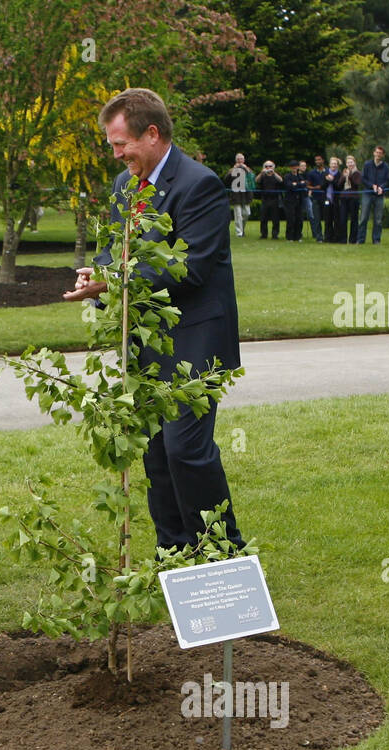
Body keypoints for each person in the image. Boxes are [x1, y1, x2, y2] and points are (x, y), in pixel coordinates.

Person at [64, 87, 245, 555]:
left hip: (196, 344)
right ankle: (174, 552)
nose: (117, 154)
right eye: (111, 145)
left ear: (152, 133)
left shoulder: (200, 184)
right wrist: (96, 274)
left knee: (186, 449)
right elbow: (115, 249)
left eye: (121, 144)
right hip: (146, 342)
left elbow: (189, 267)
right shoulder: (126, 186)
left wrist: (113, 279)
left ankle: (222, 553)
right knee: (157, 455)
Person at [357, 145, 389, 244]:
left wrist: (381, 187)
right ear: (374, 153)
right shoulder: (367, 165)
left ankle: (376, 240)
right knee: (363, 218)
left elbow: (387, 180)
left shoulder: (386, 167)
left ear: (383, 155)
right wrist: (372, 186)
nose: (378, 154)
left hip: (379, 195)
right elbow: (363, 178)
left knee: (378, 220)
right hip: (367, 193)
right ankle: (360, 239)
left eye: (380, 153)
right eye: (377, 152)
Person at [223, 153, 252, 237]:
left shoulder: (247, 169)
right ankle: (239, 233)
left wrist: (246, 168)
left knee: (247, 213)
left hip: (246, 195)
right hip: (236, 195)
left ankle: (242, 228)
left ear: (244, 160)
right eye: (238, 159)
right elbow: (226, 180)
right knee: (238, 214)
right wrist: (233, 169)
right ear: (236, 160)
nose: (240, 161)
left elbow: (252, 178)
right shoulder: (232, 169)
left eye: (241, 159)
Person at [337, 154, 362, 243]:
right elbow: (339, 185)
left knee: (354, 219)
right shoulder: (344, 172)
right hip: (344, 198)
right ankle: (343, 239)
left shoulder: (357, 173)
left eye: (351, 162)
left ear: (354, 163)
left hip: (353, 198)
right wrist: (344, 177)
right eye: (348, 162)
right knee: (343, 219)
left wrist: (349, 176)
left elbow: (356, 184)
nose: (350, 164)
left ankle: (353, 239)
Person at [256, 160, 283, 239]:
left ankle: (275, 234)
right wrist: (262, 172)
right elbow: (256, 180)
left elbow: (281, 180)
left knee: (275, 218)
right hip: (265, 199)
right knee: (263, 218)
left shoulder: (276, 175)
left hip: (274, 199)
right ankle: (264, 234)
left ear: (273, 167)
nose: (268, 168)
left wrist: (273, 172)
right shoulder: (263, 176)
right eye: (266, 166)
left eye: (270, 166)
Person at [282, 160, 307, 241]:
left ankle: (298, 236)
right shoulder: (287, 176)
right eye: (293, 167)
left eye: (296, 166)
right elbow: (289, 186)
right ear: (290, 168)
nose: (294, 168)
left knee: (299, 219)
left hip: (299, 200)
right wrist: (298, 184)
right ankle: (289, 237)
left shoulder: (300, 176)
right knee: (291, 219)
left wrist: (296, 184)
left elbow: (304, 185)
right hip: (290, 201)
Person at [305, 155, 326, 241]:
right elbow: (308, 185)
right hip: (316, 198)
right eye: (316, 160)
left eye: (319, 160)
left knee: (327, 218)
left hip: (326, 198)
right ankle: (319, 236)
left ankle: (328, 235)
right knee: (317, 218)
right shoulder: (312, 173)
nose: (317, 162)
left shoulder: (327, 171)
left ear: (323, 160)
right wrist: (315, 188)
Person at [322, 155, 342, 243]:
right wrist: (327, 180)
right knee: (327, 219)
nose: (333, 165)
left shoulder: (339, 174)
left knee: (336, 219)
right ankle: (327, 237)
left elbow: (339, 186)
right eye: (332, 164)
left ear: (337, 165)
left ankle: (336, 237)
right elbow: (322, 186)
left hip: (336, 200)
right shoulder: (325, 173)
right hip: (327, 199)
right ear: (329, 165)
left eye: (335, 164)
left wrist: (332, 180)